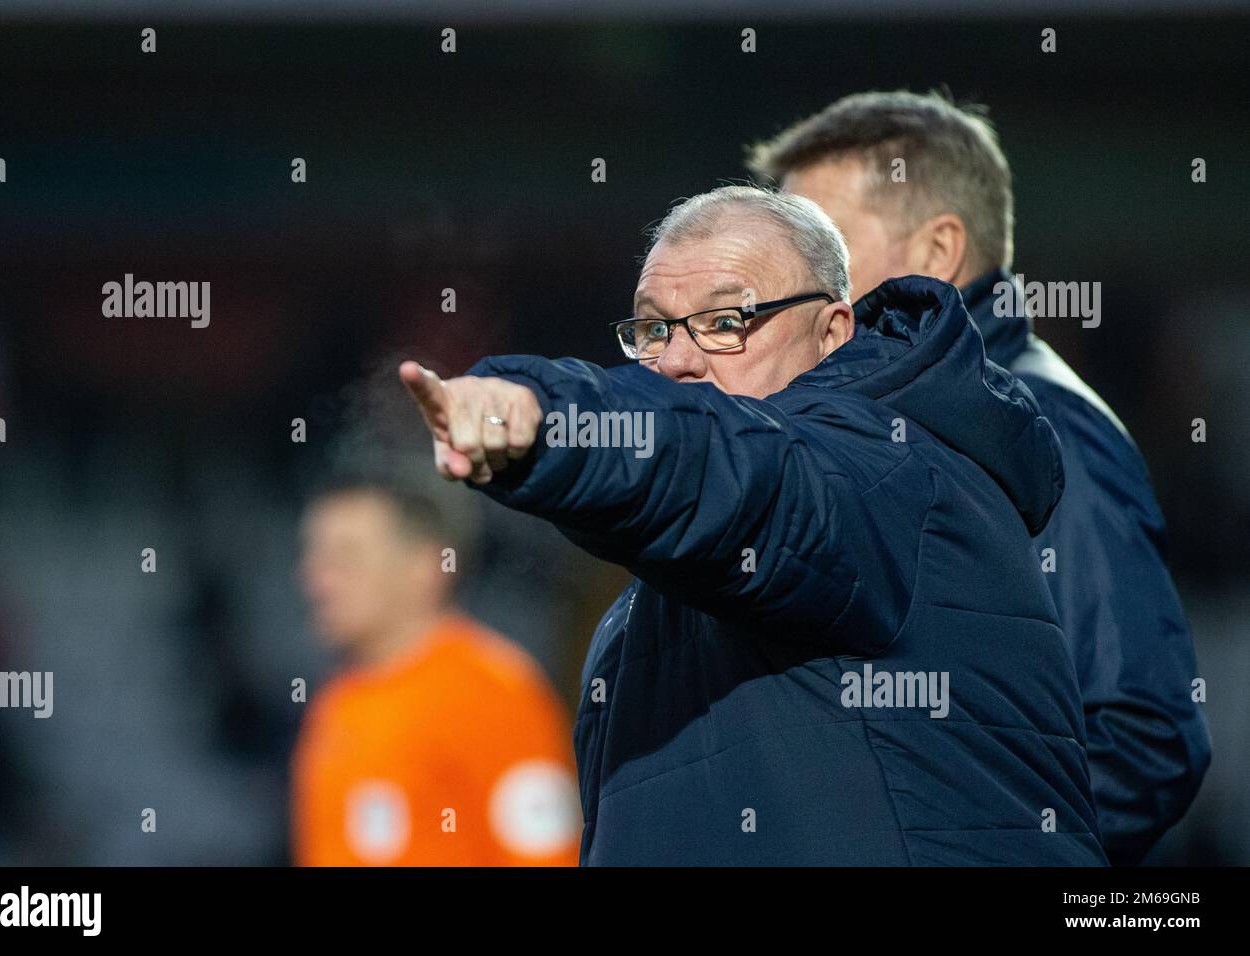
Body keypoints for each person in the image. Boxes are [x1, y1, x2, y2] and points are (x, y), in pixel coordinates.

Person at [400, 185, 1106, 865]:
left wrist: (549, 418)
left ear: (832, 333)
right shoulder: (644, 611)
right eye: (651, 329)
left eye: (725, 322)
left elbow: (732, 469)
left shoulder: (890, 474)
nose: (675, 360)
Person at [749, 90, 1210, 865]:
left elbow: (1144, 731)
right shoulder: (893, 423)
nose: (787, 282)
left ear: (939, 252)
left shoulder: (1043, 428)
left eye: (820, 249)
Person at [291, 474, 580, 866]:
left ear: (425, 566)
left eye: (346, 558)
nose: (316, 580)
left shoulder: (491, 695)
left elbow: (548, 856)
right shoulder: (336, 700)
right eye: (315, 557)